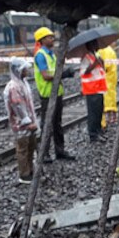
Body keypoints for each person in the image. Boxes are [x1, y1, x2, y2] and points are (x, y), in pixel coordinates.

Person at [31, 27, 74, 161]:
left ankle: (59, 151)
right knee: (47, 124)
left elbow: (54, 71)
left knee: (57, 124)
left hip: (57, 93)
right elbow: (46, 75)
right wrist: (64, 74)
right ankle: (44, 153)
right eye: (49, 37)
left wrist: (63, 72)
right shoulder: (40, 55)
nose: (52, 38)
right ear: (42, 40)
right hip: (48, 95)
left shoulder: (51, 54)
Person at [3, 58, 39, 183]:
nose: (27, 71)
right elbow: (18, 107)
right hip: (21, 125)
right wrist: (27, 122)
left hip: (28, 123)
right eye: (24, 69)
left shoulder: (23, 83)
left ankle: (29, 170)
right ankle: (24, 174)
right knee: (23, 149)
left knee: (30, 147)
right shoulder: (14, 87)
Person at [80, 41, 108, 142]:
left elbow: (102, 71)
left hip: (99, 89)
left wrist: (101, 62)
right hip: (91, 90)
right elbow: (84, 72)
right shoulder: (86, 58)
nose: (97, 46)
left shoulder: (95, 56)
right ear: (90, 45)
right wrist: (94, 64)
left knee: (99, 112)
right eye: (95, 44)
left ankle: (98, 130)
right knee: (93, 113)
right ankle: (93, 134)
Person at [99, 44, 119, 129]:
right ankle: (111, 118)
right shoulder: (109, 50)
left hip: (106, 79)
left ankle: (106, 121)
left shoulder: (103, 50)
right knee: (110, 99)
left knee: (106, 101)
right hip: (110, 79)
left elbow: (104, 66)